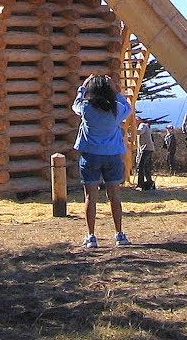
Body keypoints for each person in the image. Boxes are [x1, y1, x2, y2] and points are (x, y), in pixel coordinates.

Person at [72, 74, 133, 249]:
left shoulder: (86, 108)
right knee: (114, 196)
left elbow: (75, 105)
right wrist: (117, 91)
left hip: (90, 155)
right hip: (112, 155)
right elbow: (127, 107)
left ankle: (91, 236)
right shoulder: (116, 109)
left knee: (90, 197)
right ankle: (119, 234)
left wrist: (82, 88)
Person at [135, 118, 156, 191]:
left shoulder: (142, 125)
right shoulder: (143, 125)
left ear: (140, 120)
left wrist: (131, 129)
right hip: (148, 148)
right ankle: (150, 183)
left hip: (146, 149)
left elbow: (140, 132)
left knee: (140, 167)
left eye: (136, 120)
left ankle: (140, 185)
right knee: (146, 167)